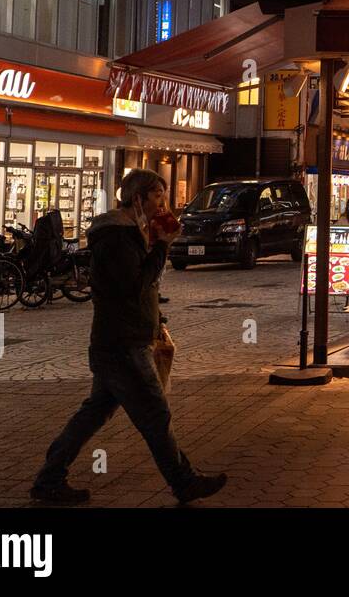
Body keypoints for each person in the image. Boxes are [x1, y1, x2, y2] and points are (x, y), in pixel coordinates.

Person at [31, 169, 227, 506]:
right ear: (137, 198)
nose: (161, 206)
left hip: (121, 339)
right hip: (122, 344)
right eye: (156, 198)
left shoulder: (130, 233)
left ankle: (48, 479)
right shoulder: (117, 238)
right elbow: (134, 285)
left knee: (93, 413)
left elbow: (137, 290)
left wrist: (155, 319)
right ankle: (184, 482)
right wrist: (162, 248)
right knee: (155, 414)